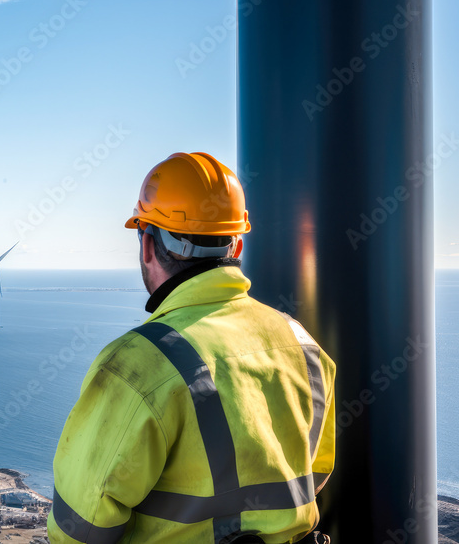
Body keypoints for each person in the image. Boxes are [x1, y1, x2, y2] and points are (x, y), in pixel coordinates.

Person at [47, 152, 335, 544]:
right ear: (236, 246)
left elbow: (79, 529)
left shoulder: (136, 365)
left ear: (148, 245)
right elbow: (313, 474)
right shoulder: (302, 345)